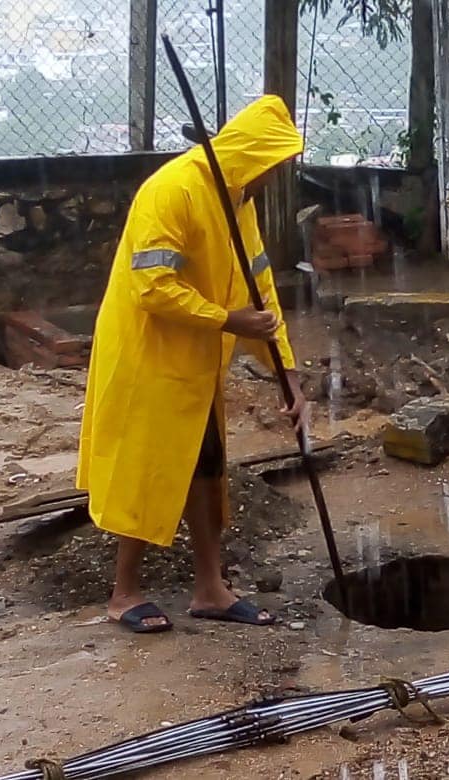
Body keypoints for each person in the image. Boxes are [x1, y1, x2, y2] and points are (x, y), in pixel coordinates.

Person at [77, 95, 307, 633]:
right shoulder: (172, 191)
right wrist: (228, 321)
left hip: (197, 361)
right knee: (147, 468)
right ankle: (123, 593)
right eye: (272, 167)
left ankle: (210, 588)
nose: (274, 180)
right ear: (252, 158)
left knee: (204, 468)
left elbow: (261, 290)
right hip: (149, 357)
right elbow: (152, 288)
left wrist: (288, 374)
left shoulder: (238, 203)